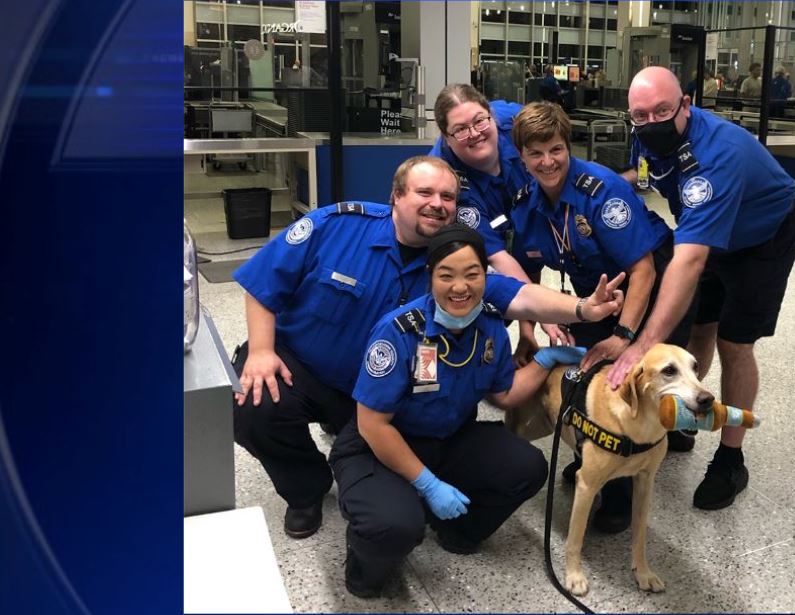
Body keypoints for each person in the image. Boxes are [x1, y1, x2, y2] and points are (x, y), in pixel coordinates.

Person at [231, 155, 625, 540]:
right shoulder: (336, 226)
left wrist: (582, 309)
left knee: (414, 471)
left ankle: (393, 483)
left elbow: (520, 296)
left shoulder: (451, 263)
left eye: (448, 197)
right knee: (253, 403)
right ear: (396, 197)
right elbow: (264, 283)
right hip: (311, 370)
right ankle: (305, 490)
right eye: (425, 192)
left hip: (391, 399)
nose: (437, 204)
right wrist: (263, 350)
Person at [330, 224, 606, 597]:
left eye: (472, 274)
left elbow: (504, 395)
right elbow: (374, 425)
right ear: (430, 277)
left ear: (485, 277)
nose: (460, 287)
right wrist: (427, 483)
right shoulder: (398, 333)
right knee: (392, 528)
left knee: (526, 467)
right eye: (446, 275)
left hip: (448, 438)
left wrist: (546, 358)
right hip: (377, 447)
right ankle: (365, 559)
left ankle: (458, 532)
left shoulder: (488, 326)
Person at [613, 66, 795, 511]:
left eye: (663, 110)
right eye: (640, 115)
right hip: (712, 231)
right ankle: (686, 416)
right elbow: (648, 172)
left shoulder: (718, 154)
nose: (651, 121)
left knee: (734, 341)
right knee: (700, 330)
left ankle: (731, 458)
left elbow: (690, 259)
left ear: (687, 103)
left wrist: (643, 344)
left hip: (764, 239)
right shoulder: (646, 133)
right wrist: (616, 183)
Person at [508, 101, 699, 531]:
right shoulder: (525, 203)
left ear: (567, 146)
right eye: (535, 154)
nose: (547, 161)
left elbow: (643, 269)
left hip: (655, 276)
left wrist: (626, 336)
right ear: (521, 157)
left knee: (630, 369)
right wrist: (528, 329)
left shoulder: (601, 192)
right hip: (598, 289)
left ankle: (620, 489)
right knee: (590, 371)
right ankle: (594, 455)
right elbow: (526, 273)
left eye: (555, 149)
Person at [431, 84, 572, 364]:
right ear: (446, 138)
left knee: (530, 247)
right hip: (480, 248)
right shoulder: (447, 180)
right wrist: (542, 312)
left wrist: (531, 325)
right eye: (460, 129)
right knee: (482, 307)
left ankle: (526, 335)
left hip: (522, 219)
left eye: (480, 120)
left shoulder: (517, 124)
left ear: (492, 115)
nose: (474, 133)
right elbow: (497, 256)